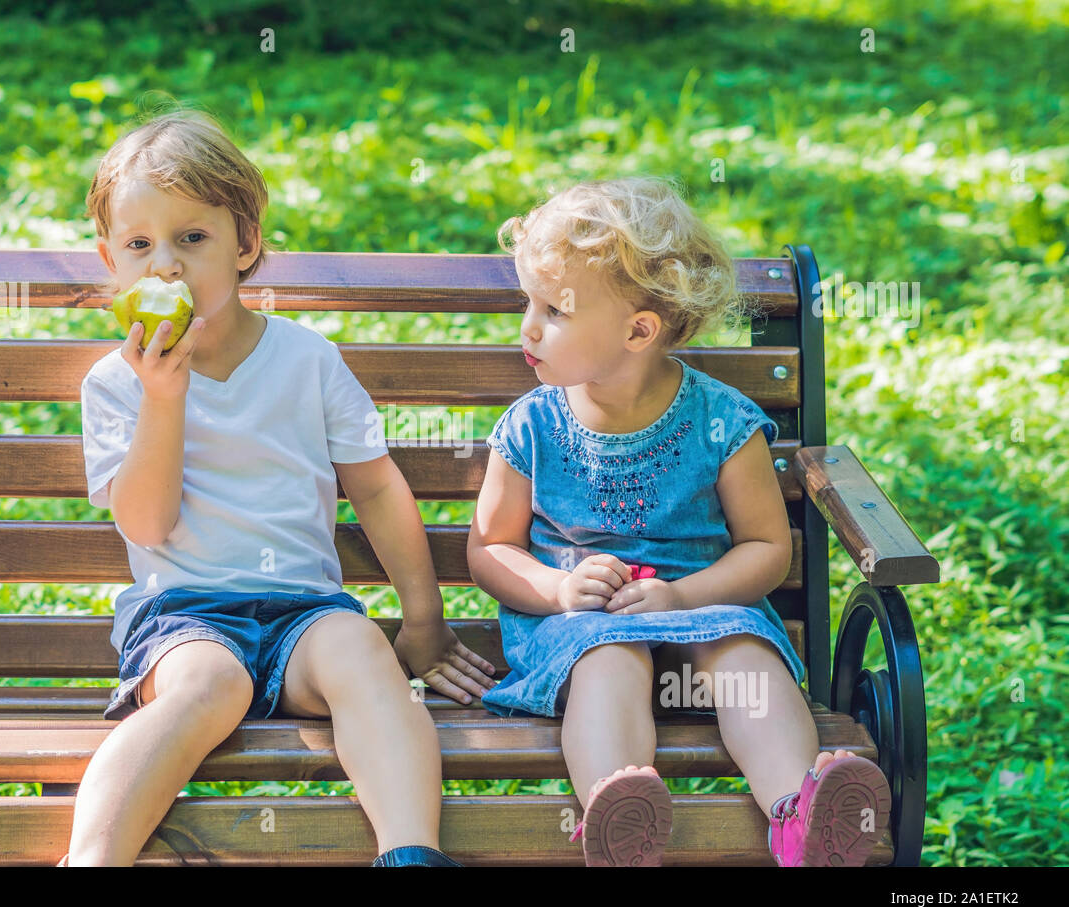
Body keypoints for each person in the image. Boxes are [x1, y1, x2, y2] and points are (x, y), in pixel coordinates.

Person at [67, 108, 495, 867]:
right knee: (211, 685)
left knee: (364, 654)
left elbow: (377, 488)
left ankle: (411, 855)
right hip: (183, 617)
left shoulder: (307, 360)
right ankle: (95, 859)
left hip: (305, 612)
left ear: (246, 245)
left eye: (191, 238)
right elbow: (147, 525)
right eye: (140, 246)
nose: (165, 266)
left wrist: (422, 618)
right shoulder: (116, 385)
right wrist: (163, 402)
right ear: (112, 261)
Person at [467, 177, 891, 867]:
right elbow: (490, 549)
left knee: (746, 661)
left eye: (555, 310)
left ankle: (800, 814)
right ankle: (621, 821)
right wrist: (558, 589)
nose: (529, 326)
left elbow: (764, 548)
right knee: (609, 661)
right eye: (529, 303)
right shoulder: (532, 426)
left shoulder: (721, 421)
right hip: (586, 625)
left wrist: (683, 597)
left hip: (705, 611)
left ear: (639, 330)